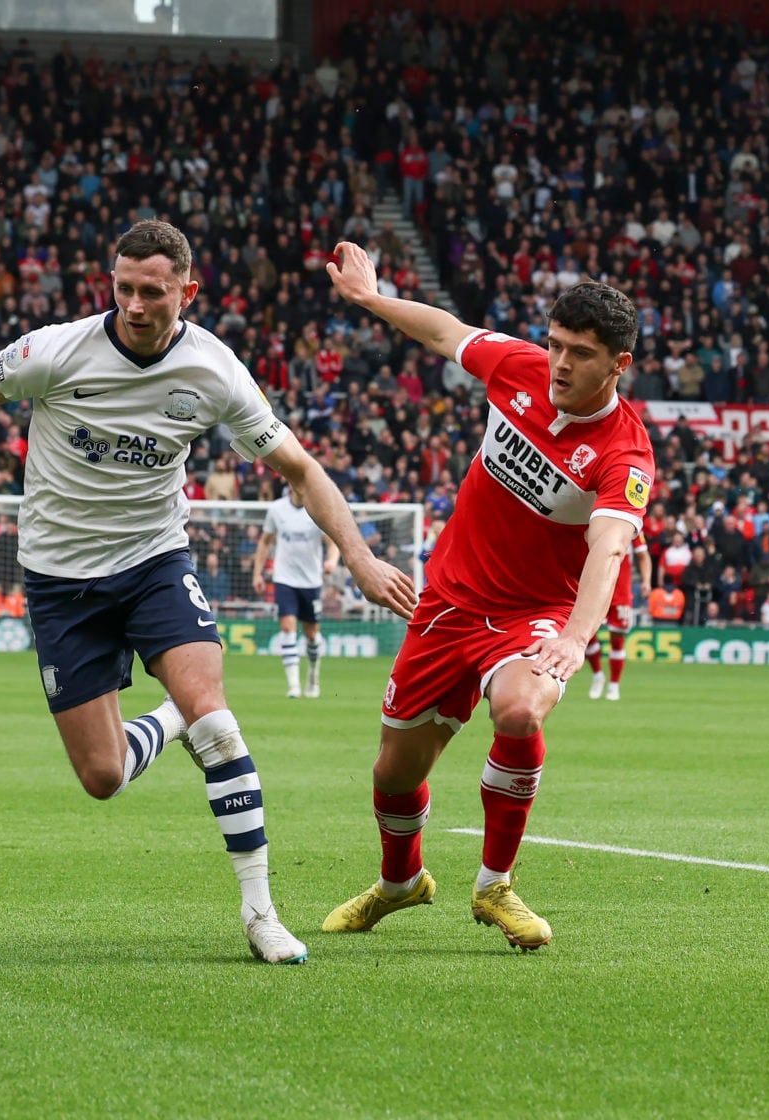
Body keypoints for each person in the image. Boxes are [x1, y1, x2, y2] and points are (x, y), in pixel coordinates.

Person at [0, 220, 416, 965]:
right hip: (59, 580)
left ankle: (262, 913)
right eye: (125, 288)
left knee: (219, 720)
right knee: (103, 776)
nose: (136, 305)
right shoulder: (58, 350)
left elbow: (301, 470)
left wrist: (359, 557)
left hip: (154, 564)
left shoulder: (215, 372)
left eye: (153, 291)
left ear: (187, 292)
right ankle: (172, 717)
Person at [319, 240, 655, 951]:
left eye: (582, 354)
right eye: (557, 344)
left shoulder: (624, 452)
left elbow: (609, 549)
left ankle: (494, 884)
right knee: (394, 771)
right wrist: (370, 297)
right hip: (446, 602)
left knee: (521, 706)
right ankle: (401, 882)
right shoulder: (519, 368)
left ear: (618, 365)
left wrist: (573, 638)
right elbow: (444, 331)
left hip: (531, 617)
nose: (561, 363)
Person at [252, 485, 341, 698]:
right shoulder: (277, 509)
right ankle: (293, 686)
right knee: (287, 627)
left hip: (311, 581)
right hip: (284, 579)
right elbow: (265, 542)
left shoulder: (318, 510)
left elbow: (333, 542)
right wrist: (257, 573)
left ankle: (312, 674)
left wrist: (331, 561)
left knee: (311, 634)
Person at [585, 531, 652, 701]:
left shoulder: (631, 526)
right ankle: (598, 675)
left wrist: (646, 581)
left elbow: (643, 555)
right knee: (587, 636)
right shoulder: (593, 521)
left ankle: (614, 685)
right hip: (595, 589)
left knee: (617, 640)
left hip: (620, 592)